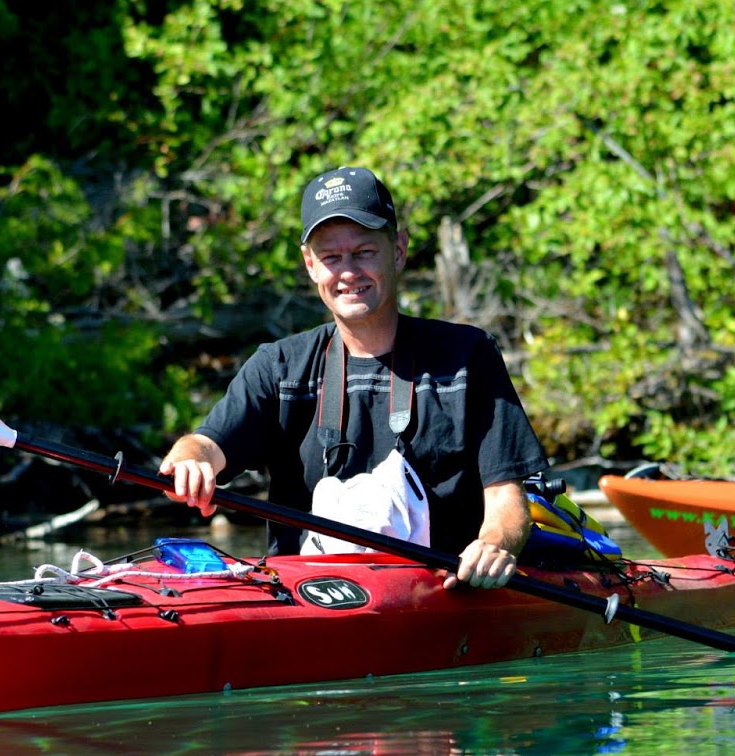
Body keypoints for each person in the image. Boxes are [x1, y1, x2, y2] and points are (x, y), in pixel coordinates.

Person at [159, 166, 548, 589]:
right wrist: (190, 460)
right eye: (331, 257)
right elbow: (207, 444)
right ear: (310, 265)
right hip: (308, 604)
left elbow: (507, 496)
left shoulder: (468, 356)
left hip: (444, 595)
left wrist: (495, 544)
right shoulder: (279, 366)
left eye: (364, 252)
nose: (348, 272)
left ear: (397, 250)